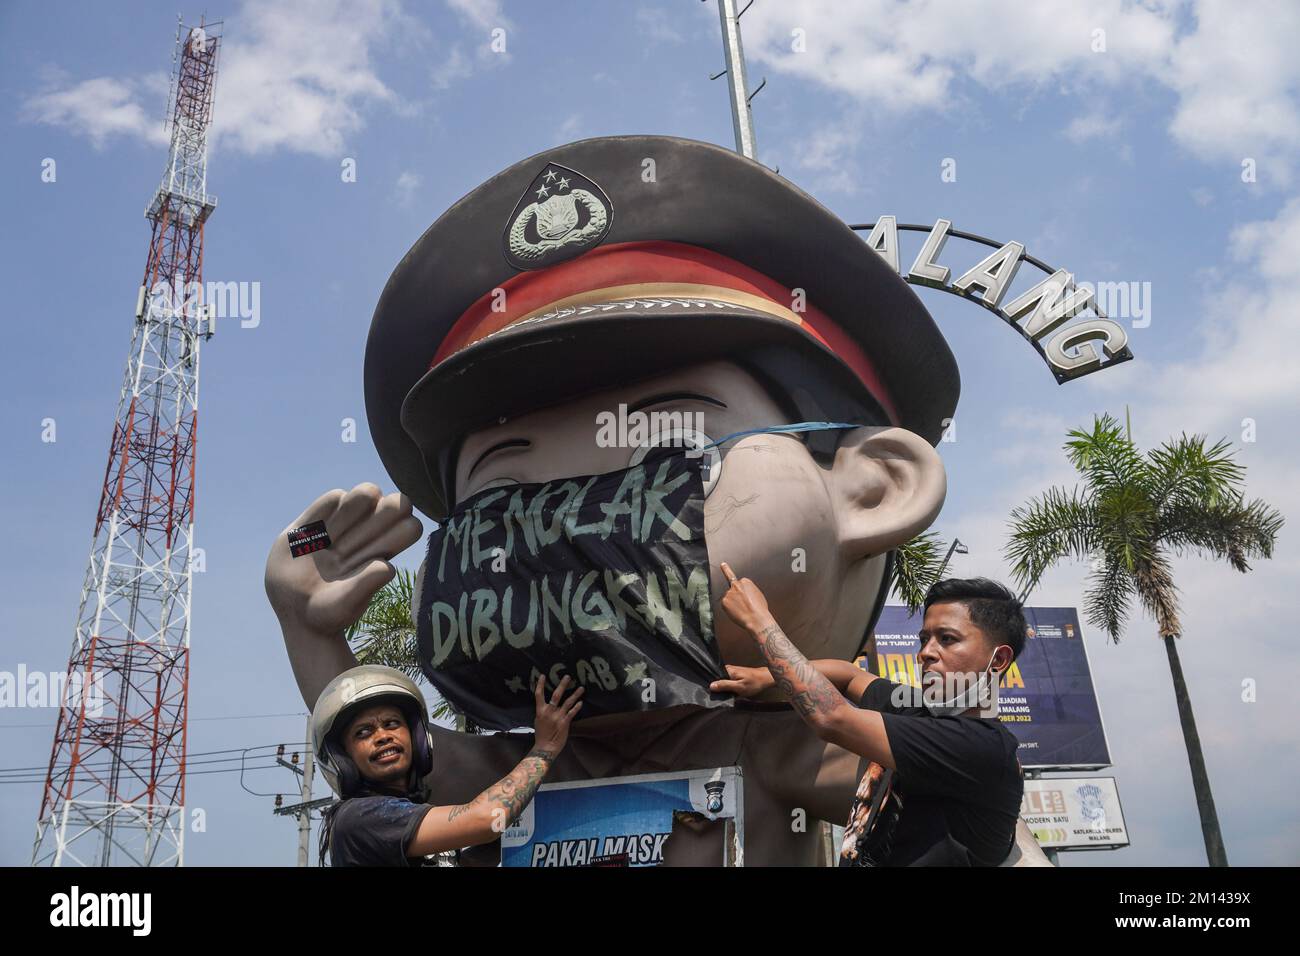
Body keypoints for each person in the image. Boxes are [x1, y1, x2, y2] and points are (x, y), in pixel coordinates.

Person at [713, 569, 1026, 866]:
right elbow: (849, 676)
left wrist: (759, 621)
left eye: (947, 639)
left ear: (998, 659)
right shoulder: (919, 710)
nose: (926, 653)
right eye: (924, 639)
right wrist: (764, 677)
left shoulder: (984, 747)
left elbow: (832, 717)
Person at [313, 664, 583, 866]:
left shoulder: (409, 823)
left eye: (392, 724)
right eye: (363, 732)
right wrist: (544, 750)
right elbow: (486, 821)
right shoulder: (360, 818)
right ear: (343, 758)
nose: (382, 736)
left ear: (416, 738)